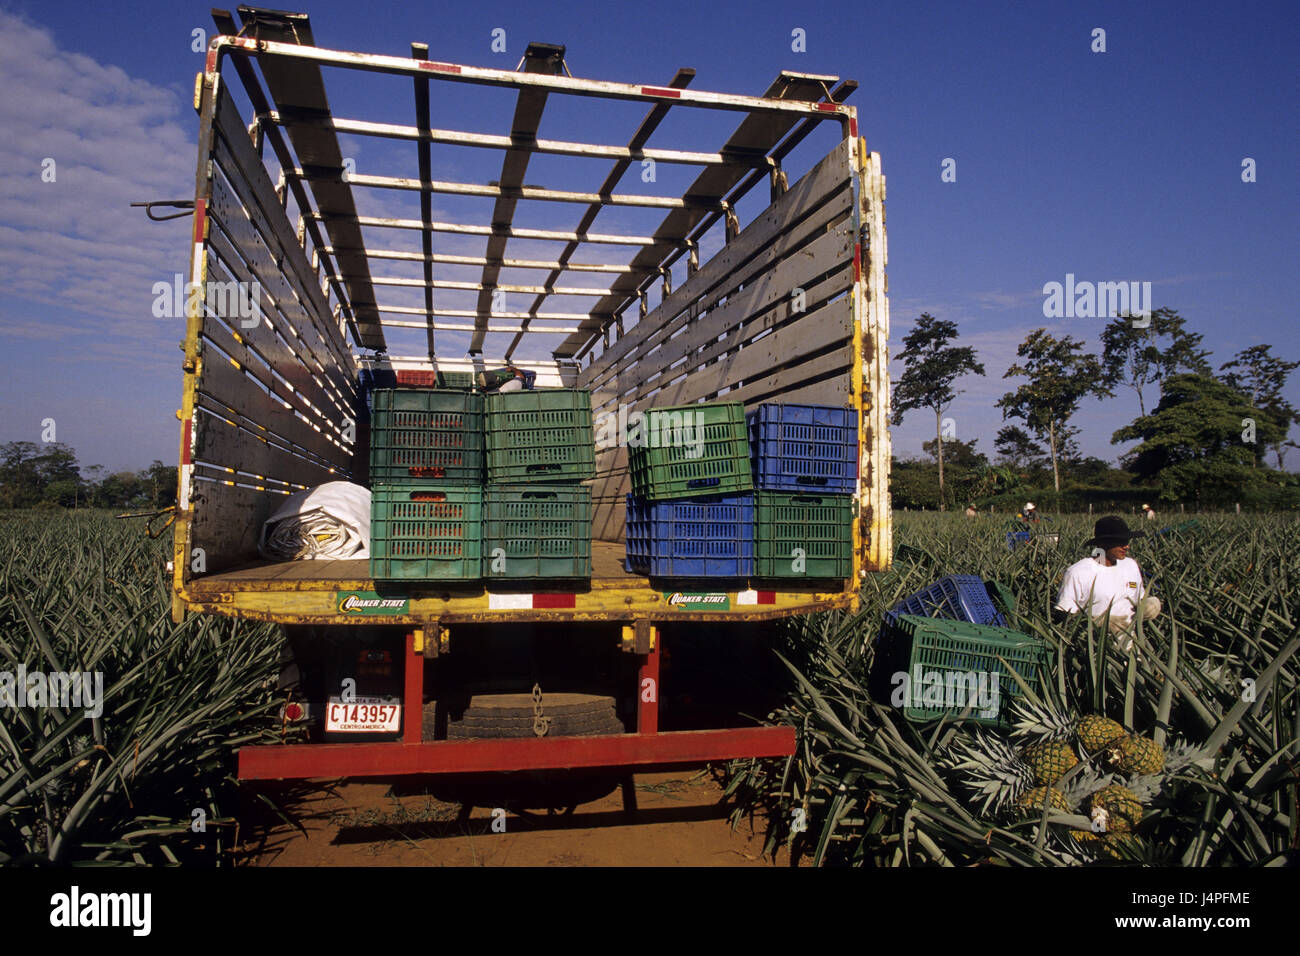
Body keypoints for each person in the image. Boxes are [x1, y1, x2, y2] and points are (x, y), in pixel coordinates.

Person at [1053, 516, 1162, 647]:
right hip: (1093, 649)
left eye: (1127, 541)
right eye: (1119, 542)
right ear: (1102, 544)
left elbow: (1140, 598)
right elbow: (1062, 615)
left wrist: (1152, 604)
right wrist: (1098, 623)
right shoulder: (1078, 572)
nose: (1126, 546)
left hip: (1132, 647)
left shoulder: (1130, 565)